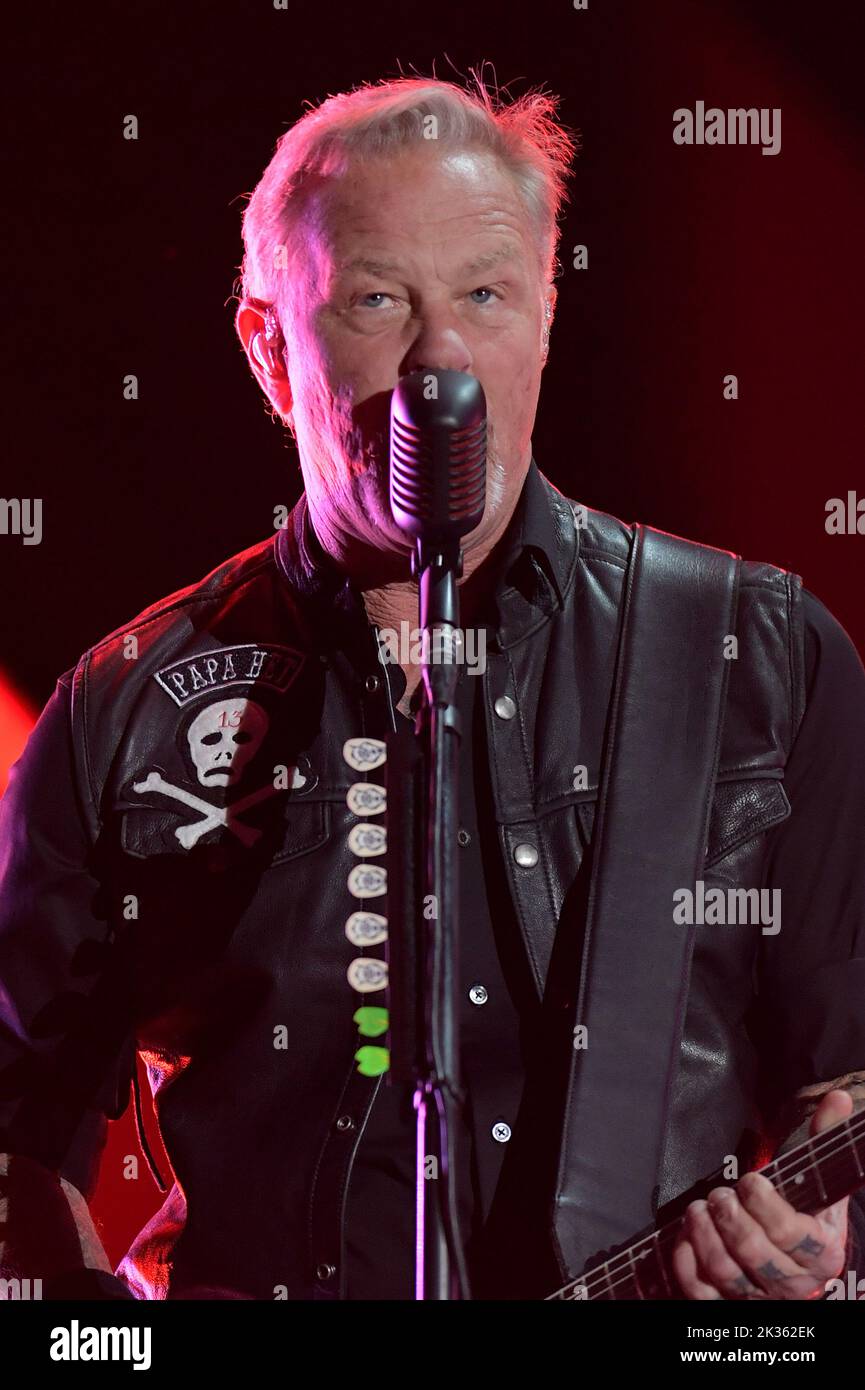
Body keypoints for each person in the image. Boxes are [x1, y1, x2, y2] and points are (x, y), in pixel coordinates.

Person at [2, 74, 865, 1302]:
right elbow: (21, 1141)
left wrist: (818, 1262)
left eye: (484, 294)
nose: (441, 361)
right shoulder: (126, 707)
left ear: (548, 314)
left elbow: (848, 1078)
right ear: (269, 352)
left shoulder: (754, 653)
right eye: (374, 300)